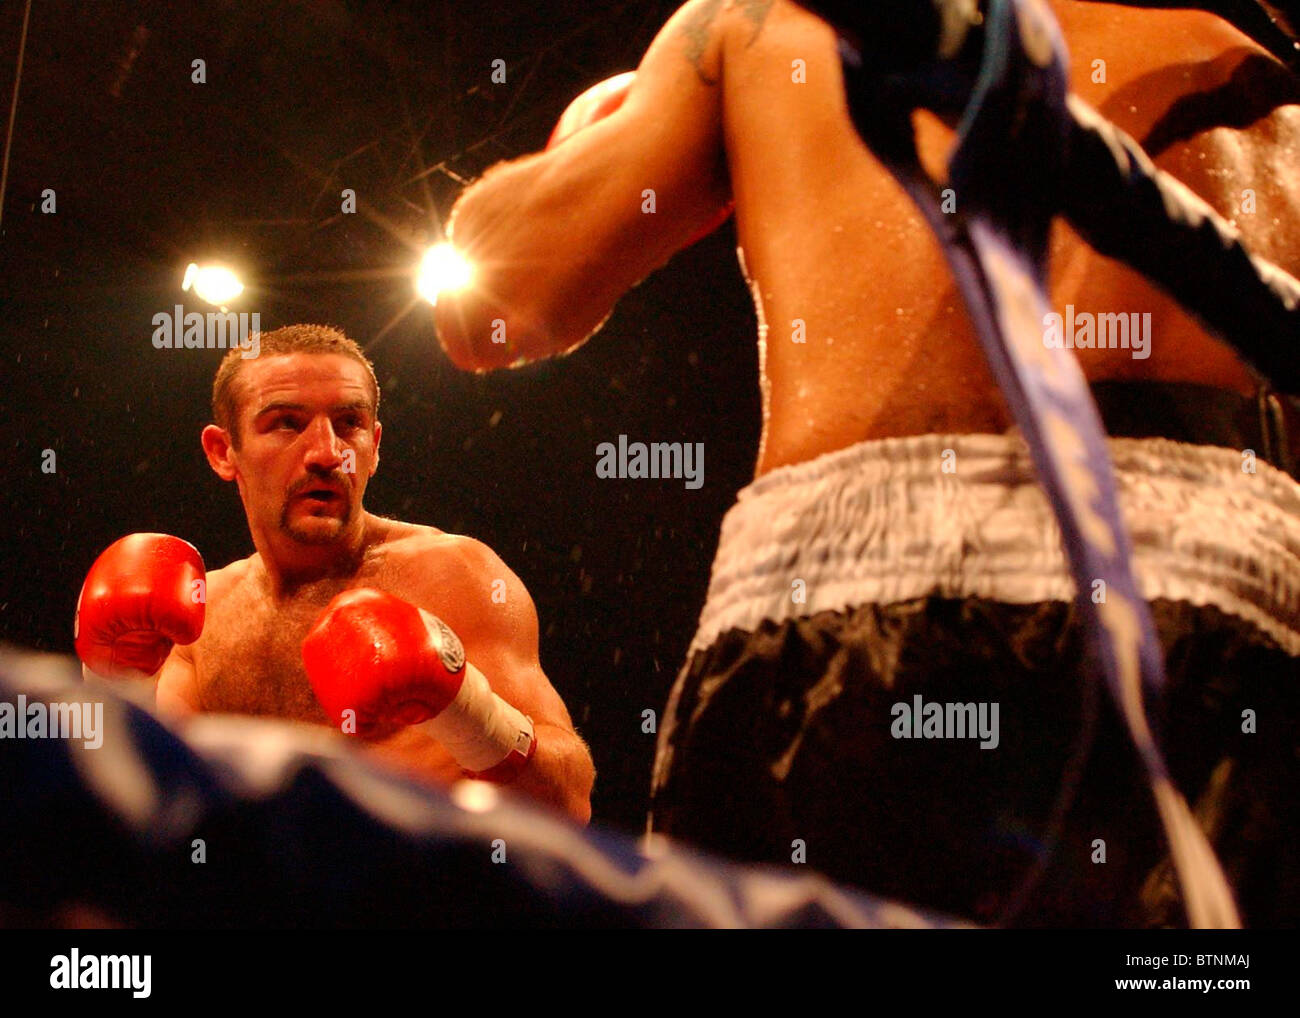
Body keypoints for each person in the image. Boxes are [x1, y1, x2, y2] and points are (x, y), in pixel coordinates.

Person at [432, 0, 1300, 925]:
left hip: (851, 617)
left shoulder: (769, 23)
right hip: (1224, 608)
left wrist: (602, 143)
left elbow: (496, 303)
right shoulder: (1258, 82)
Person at [74, 324, 595, 823]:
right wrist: (113, 681)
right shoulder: (202, 617)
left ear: (374, 447)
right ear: (222, 451)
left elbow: (569, 801)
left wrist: (467, 709)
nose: (327, 453)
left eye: (349, 424)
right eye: (285, 422)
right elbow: (148, 809)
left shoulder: (453, 576)